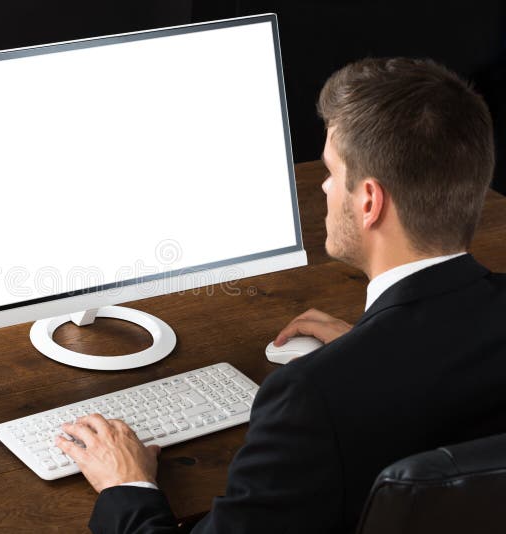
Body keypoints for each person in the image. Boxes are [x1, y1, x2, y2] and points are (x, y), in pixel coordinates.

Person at [54, 57, 506, 533]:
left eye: (331, 171)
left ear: (369, 202)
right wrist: (377, 348)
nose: (325, 187)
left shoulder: (311, 400)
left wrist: (126, 488)